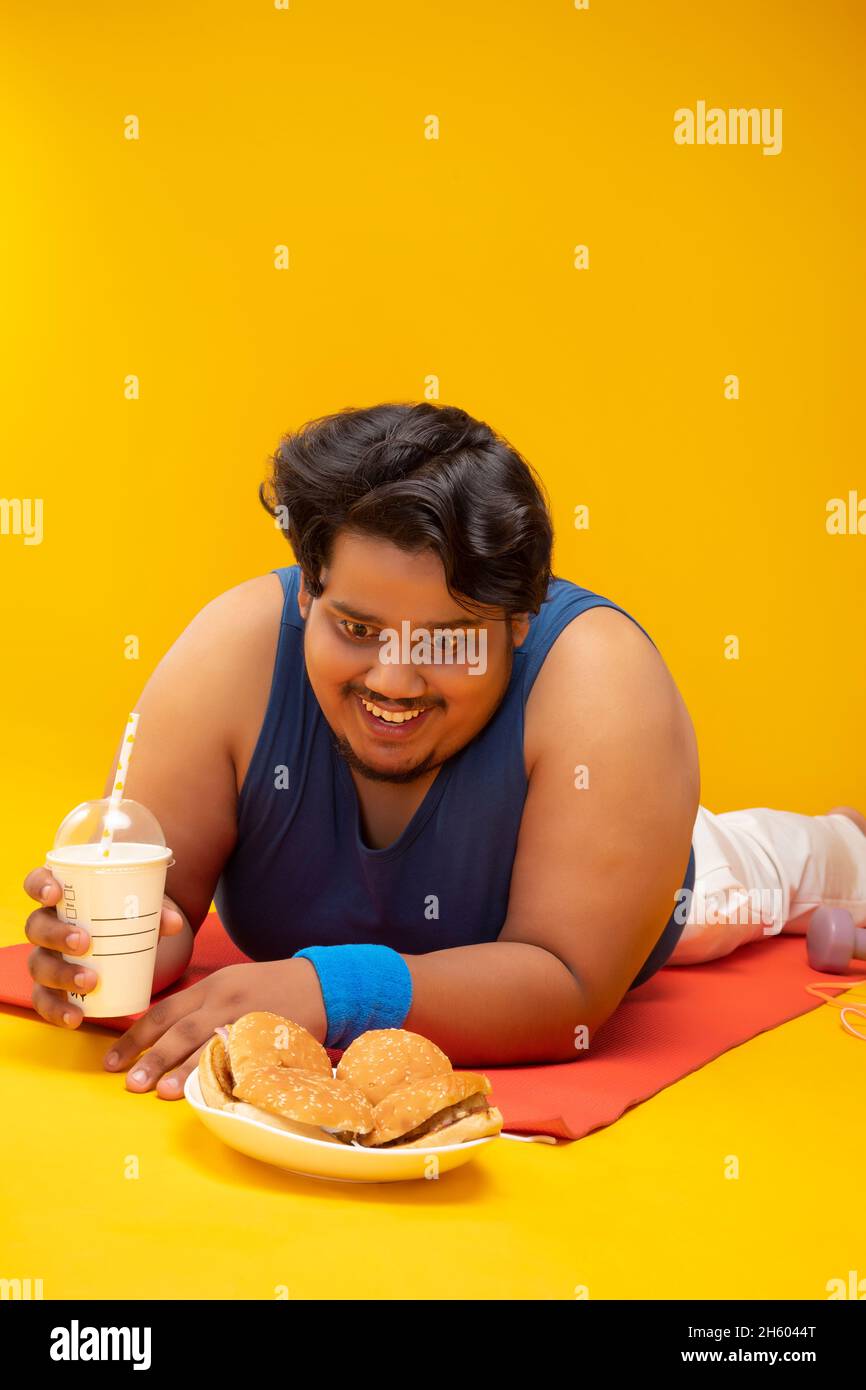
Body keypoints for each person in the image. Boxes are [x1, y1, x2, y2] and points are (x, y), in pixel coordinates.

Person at [22, 403, 866, 1097]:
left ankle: (842, 844)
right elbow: (160, 904)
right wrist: (114, 950)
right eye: (355, 627)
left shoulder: (602, 680)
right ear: (308, 592)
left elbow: (570, 993)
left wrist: (326, 990)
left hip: (645, 871)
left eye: (451, 641)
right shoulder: (233, 649)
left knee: (761, 874)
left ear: (521, 620)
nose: (394, 681)